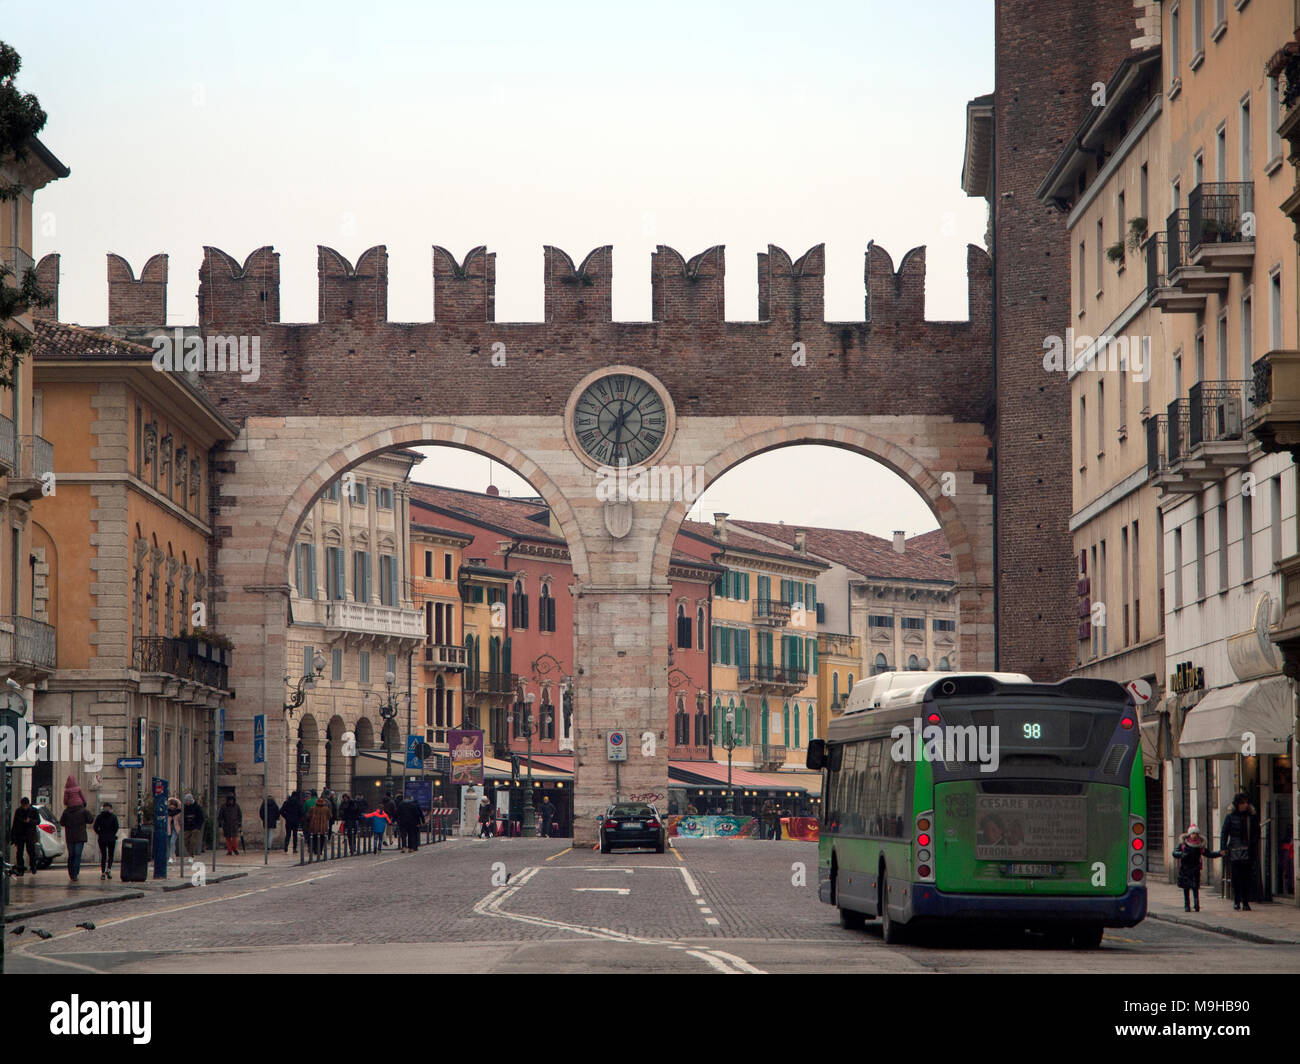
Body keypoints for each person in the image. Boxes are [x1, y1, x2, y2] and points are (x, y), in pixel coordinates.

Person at [1221, 793, 1260, 912]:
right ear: (1237, 804)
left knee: (1247, 877)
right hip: (1234, 850)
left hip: (1248, 851)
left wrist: (1252, 845)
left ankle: (1246, 902)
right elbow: (1224, 832)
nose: (1245, 805)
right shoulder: (1230, 817)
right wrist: (1223, 848)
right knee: (1236, 877)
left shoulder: (1251, 817)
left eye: (1246, 802)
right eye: (1242, 803)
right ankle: (1237, 900)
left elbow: (1256, 832)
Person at [1172, 824, 1219, 912]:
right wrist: (1181, 854)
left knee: (1195, 887)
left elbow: (1208, 854)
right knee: (1186, 888)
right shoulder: (1183, 845)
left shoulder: (1200, 845)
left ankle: (1197, 905)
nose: (1194, 835)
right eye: (1193, 833)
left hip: (1195, 869)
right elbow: (1174, 853)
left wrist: (1219, 853)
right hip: (1185, 869)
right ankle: (1187, 906)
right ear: (1189, 834)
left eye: (1196, 833)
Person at [59, 777, 95, 882]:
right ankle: (75, 873)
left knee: (71, 855)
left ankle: (71, 873)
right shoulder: (83, 810)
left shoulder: (66, 812)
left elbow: (62, 822)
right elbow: (90, 820)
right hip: (80, 836)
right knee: (77, 855)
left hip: (70, 836)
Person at [10, 796, 40, 876]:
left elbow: (38, 821)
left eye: (26, 806)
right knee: (19, 852)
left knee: (31, 851)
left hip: (30, 834)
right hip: (20, 834)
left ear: (28, 804)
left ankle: (33, 866)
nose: (25, 808)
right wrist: (13, 836)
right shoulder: (19, 811)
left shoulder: (34, 811)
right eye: (23, 806)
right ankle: (20, 869)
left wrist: (30, 821)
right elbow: (15, 824)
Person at [94, 803, 120, 881]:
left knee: (103, 855)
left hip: (102, 838)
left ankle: (102, 872)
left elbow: (95, 827)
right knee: (111, 855)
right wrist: (112, 833)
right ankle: (108, 870)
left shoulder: (99, 817)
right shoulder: (113, 817)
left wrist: (100, 833)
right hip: (111, 838)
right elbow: (116, 827)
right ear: (110, 809)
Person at [306, 790, 332, 856]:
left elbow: (308, 816)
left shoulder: (313, 808)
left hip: (314, 827)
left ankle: (315, 850)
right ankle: (320, 851)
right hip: (323, 827)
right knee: (322, 840)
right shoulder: (326, 809)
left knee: (314, 839)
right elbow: (330, 816)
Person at [182, 793, 204, 861]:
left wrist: (198, 827)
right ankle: (190, 854)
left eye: (187, 801)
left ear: (190, 801)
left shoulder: (197, 807)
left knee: (192, 841)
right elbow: (184, 817)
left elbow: (201, 818)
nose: (186, 803)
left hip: (195, 827)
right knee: (185, 841)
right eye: (185, 802)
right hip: (187, 827)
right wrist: (184, 827)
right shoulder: (185, 807)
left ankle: (191, 856)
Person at [166, 796, 183, 864]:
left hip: (175, 829)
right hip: (168, 828)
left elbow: (181, 820)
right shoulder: (167, 812)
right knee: (168, 842)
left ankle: (171, 857)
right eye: (171, 805)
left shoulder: (179, 812)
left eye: (174, 805)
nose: (172, 807)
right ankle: (172, 855)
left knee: (172, 842)